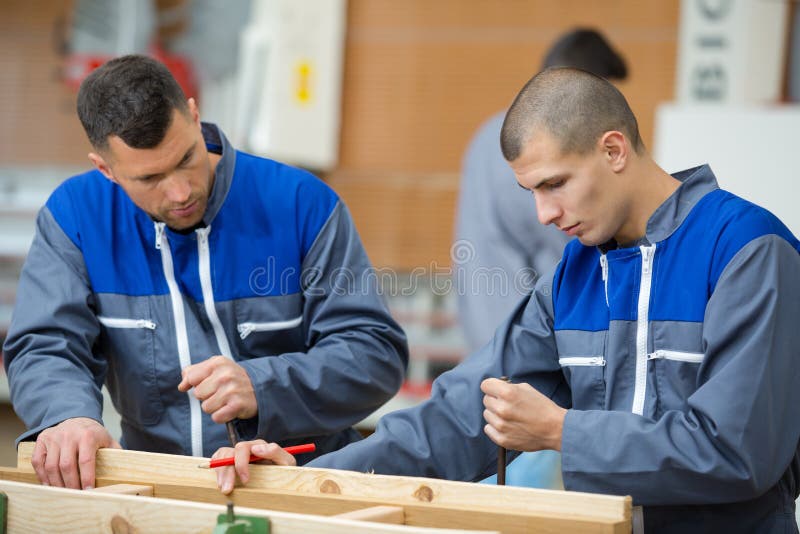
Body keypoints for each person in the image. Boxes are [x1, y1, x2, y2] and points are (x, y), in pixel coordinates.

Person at [214, 68, 800, 533]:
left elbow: (736, 451)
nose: (544, 215)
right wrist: (314, 480)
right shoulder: (577, 276)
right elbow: (462, 414)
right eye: (531, 192)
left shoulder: (747, 253)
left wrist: (564, 433)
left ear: (614, 150)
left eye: (554, 184)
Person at [2, 55, 408, 491]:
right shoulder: (77, 217)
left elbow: (374, 354)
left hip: (299, 487)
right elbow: (46, 344)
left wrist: (265, 386)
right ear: (107, 170)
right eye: (151, 177)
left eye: (186, 159)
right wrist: (66, 416)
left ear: (195, 117)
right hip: (157, 492)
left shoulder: (301, 204)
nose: (179, 192)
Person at [455, 28, 627, 488]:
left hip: (486, 340)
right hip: (536, 364)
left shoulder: (489, 136)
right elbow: (577, 260)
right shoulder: (544, 156)